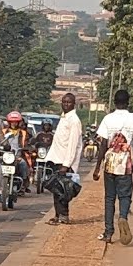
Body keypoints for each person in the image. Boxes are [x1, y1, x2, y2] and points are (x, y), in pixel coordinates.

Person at [92, 89, 133, 245]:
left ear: (114, 103)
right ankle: (123, 216)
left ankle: (108, 232)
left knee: (109, 198)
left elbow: (103, 144)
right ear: (128, 102)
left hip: (109, 163)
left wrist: (97, 167)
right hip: (125, 165)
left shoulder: (108, 119)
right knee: (125, 196)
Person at [45, 94, 84, 225]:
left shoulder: (74, 120)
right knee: (57, 190)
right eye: (64, 102)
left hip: (65, 161)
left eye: (69, 102)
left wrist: (66, 165)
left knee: (63, 191)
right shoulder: (64, 117)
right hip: (57, 158)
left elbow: (73, 145)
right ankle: (57, 215)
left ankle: (64, 216)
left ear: (74, 104)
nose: (66, 104)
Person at [2, 111, 32, 193]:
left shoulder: (23, 133)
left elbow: (27, 143)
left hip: (17, 155)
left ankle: (23, 184)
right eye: (12, 122)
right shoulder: (3, 131)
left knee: (23, 164)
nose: (14, 124)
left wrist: (28, 148)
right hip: (4, 155)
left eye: (16, 122)